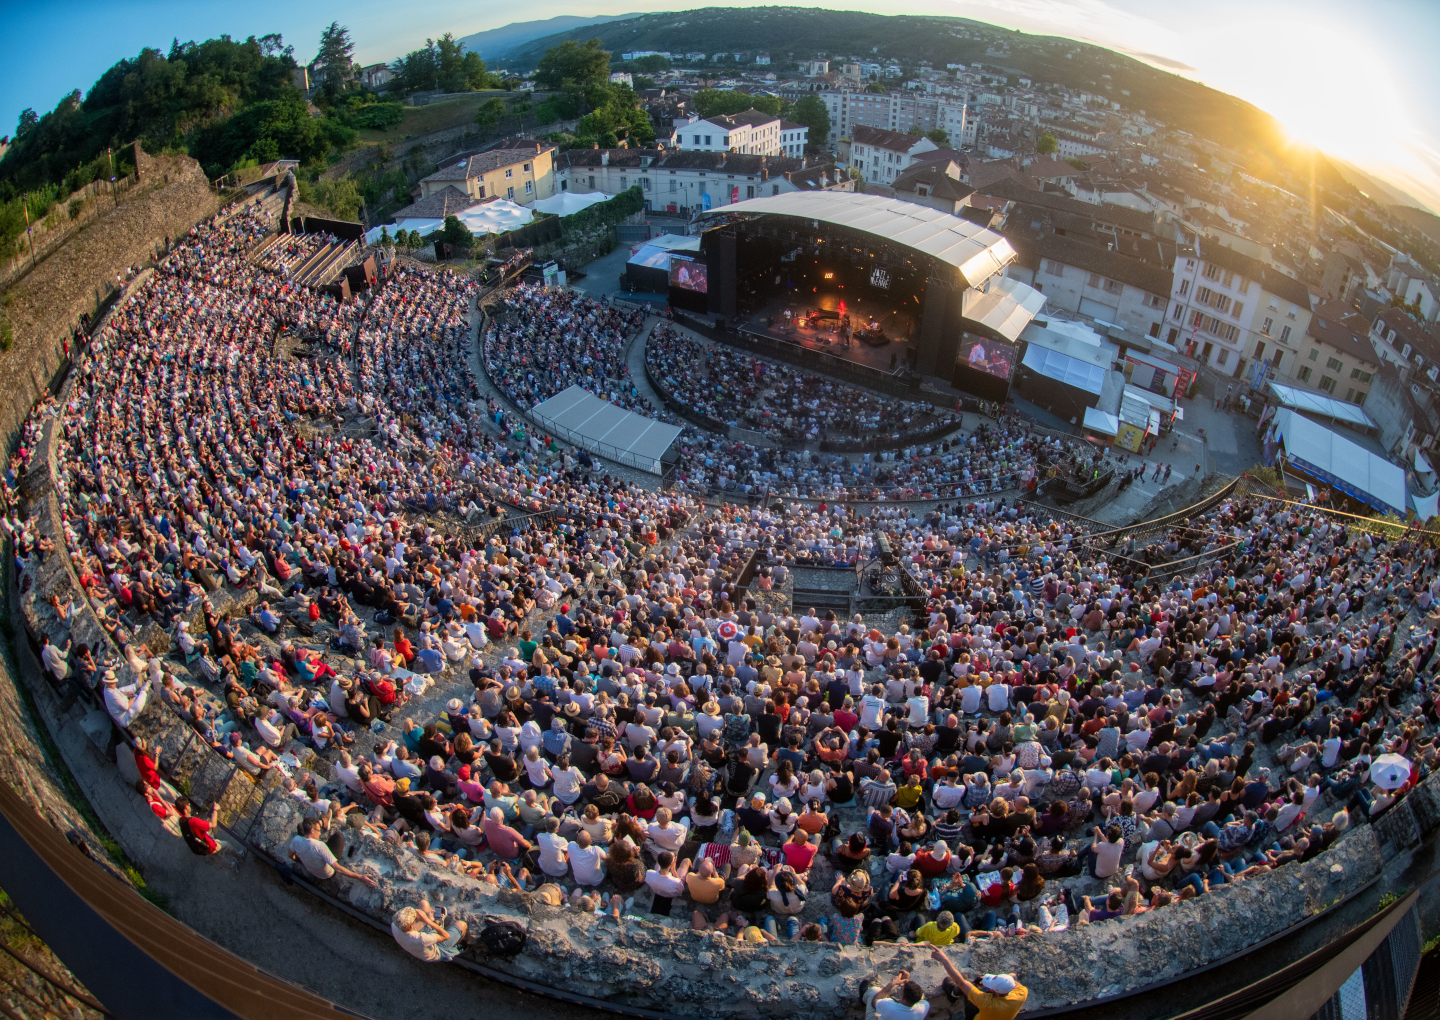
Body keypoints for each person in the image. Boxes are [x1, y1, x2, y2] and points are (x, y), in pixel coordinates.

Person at [929, 951, 1028, 1020]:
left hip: (975, 1016)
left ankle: (952, 994)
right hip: (995, 1013)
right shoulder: (1021, 994)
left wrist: (944, 959)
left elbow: (961, 983)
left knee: (965, 982)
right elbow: (1014, 981)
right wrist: (1004, 980)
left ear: (995, 991)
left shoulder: (986, 1002)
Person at [288, 818, 378, 888]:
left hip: (310, 867)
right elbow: (337, 868)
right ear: (312, 831)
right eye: (318, 831)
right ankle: (325, 821)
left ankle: (324, 821)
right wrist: (360, 877)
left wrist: (303, 860)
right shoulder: (320, 846)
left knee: (300, 826)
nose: (320, 833)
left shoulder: (296, 840)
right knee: (339, 836)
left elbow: (290, 855)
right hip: (327, 874)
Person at [391, 901, 467, 962]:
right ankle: (455, 945)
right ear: (411, 926)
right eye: (415, 917)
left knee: (423, 904)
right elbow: (445, 936)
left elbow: (413, 929)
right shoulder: (421, 939)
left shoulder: (395, 925)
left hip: (420, 942)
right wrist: (428, 921)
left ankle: (436, 923)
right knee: (462, 925)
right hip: (436, 949)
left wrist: (426, 919)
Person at [861, 968, 929, 1020]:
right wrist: (906, 982)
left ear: (903, 999)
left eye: (902, 989)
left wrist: (892, 984)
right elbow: (919, 996)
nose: (901, 986)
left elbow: (875, 1001)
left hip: (886, 1011)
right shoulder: (924, 1007)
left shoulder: (890, 1007)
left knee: (874, 991)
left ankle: (863, 999)